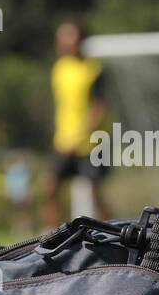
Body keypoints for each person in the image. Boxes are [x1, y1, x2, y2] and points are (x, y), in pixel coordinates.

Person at [42, 20, 109, 229]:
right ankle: (50, 238)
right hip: (63, 141)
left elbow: (99, 108)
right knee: (50, 188)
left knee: (94, 191)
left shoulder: (94, 69)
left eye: (69, 36)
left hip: (90, 143)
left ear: (80, 40)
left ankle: (116, 235)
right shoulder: (59, 69)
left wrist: (79, 135)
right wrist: (65, 137)